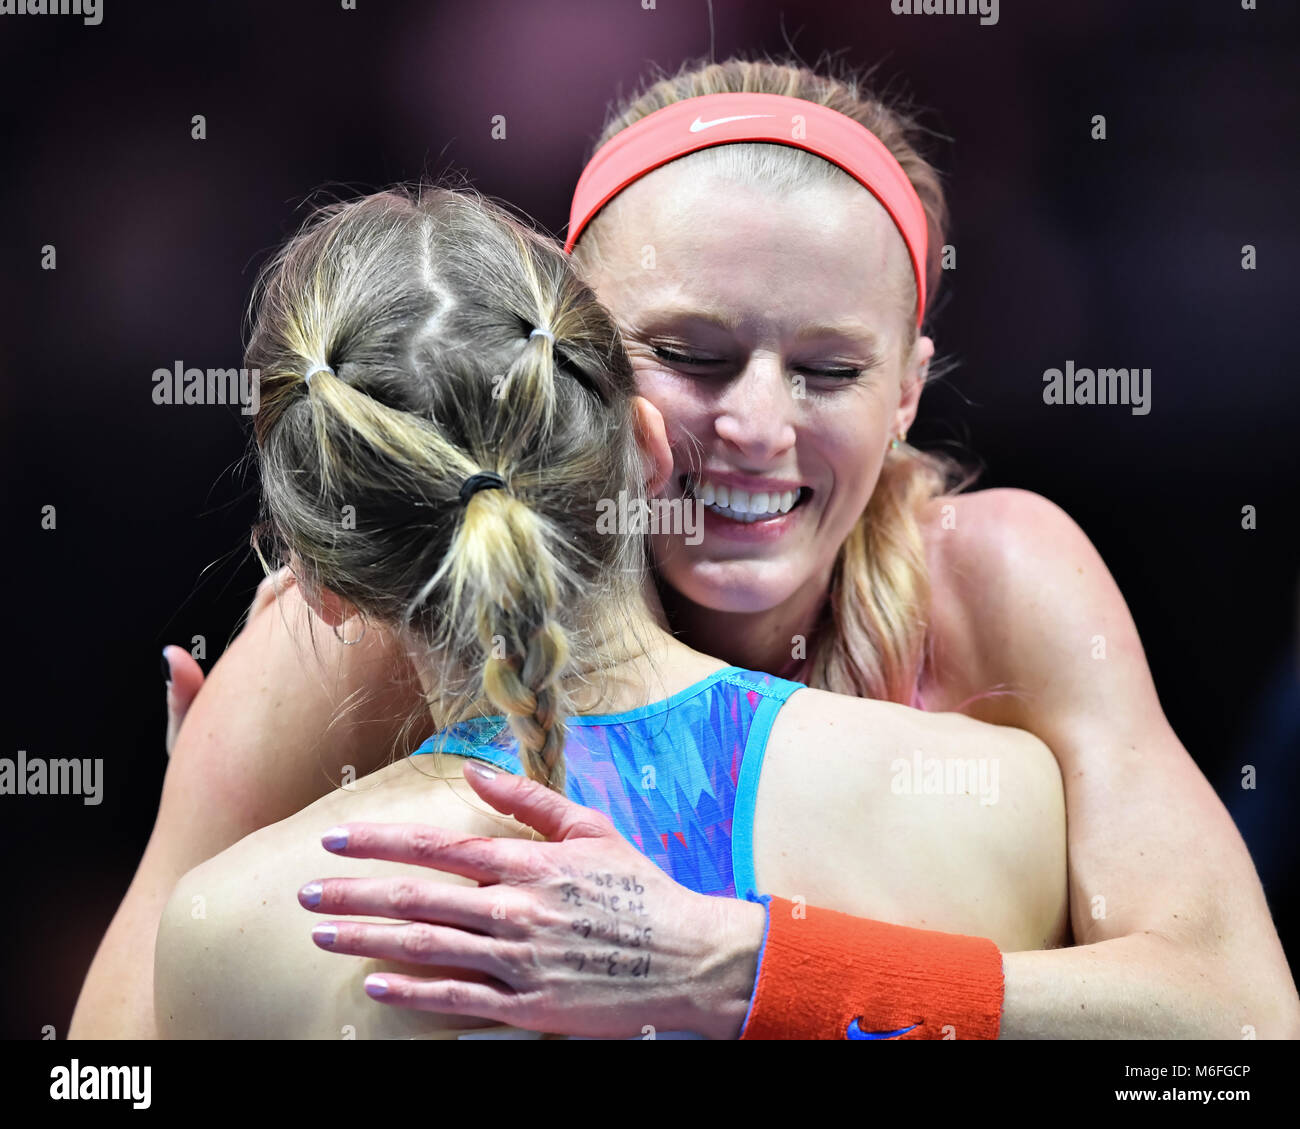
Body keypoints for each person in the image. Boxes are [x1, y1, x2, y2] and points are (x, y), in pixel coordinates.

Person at [75, 56, 1299, 1039]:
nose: (756, 428)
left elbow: (1234, 1024)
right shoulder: (368, 629)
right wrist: (212, 836)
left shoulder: (991, 580)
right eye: (693, 357)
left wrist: (745, 965)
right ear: (581, 369)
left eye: (829, 370)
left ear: (910, 393)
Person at [154, 184, 1066, 1039]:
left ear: (319, 574)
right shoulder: (993, 802)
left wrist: (212, 815)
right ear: (649, 447)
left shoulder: (237, 928)